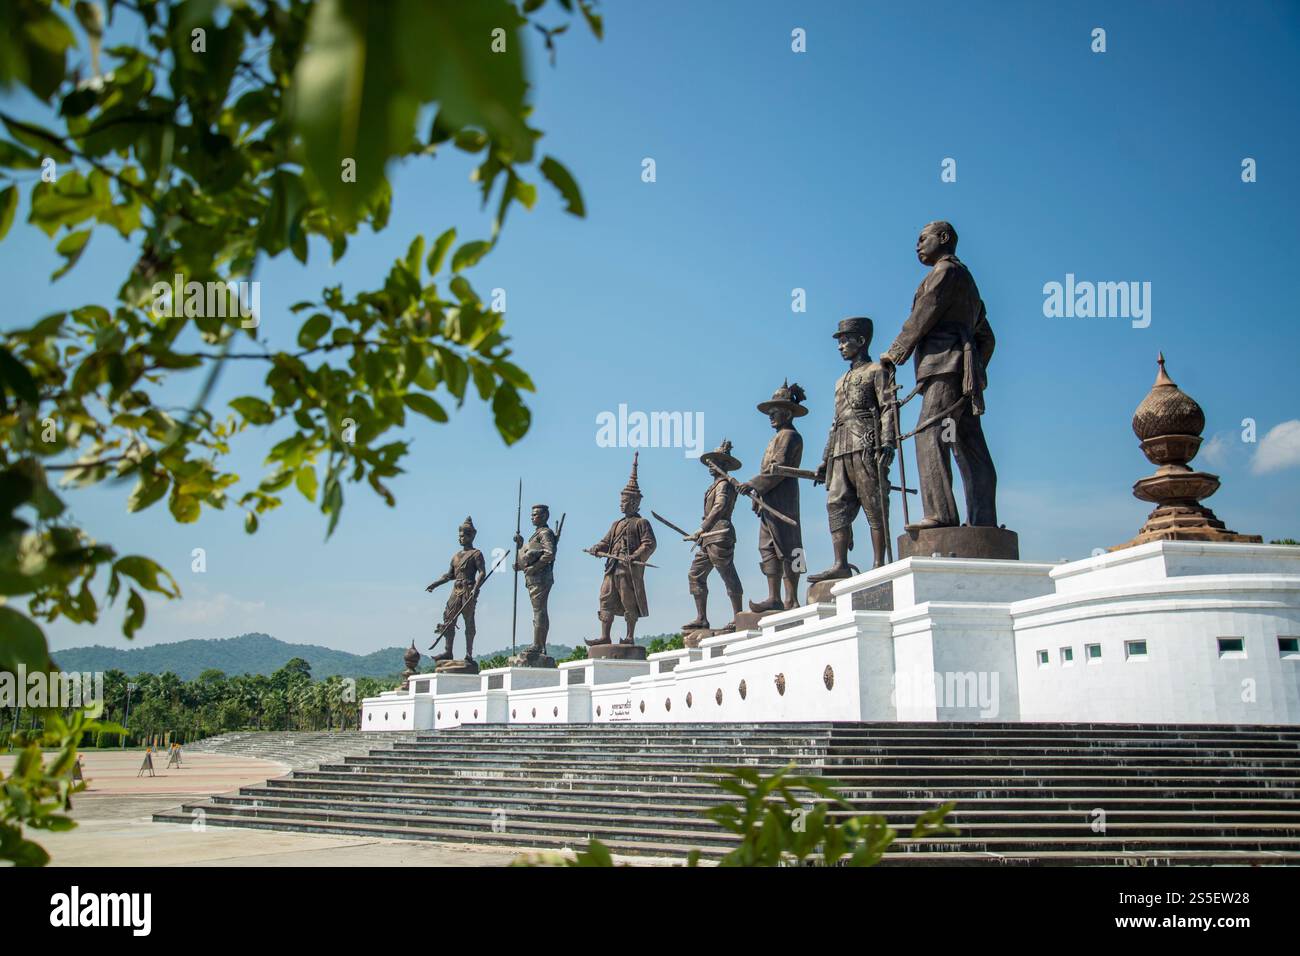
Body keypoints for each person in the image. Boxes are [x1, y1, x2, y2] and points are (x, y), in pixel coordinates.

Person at [879, 220, 997, 528]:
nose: (917, 245)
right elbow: (988, 337)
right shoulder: (968, 281)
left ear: (943, 238)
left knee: (928, 434)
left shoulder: (944, 273)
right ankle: (984, 521)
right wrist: (972, 367)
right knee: (970, 445)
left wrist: (893, 355)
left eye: (923, 238)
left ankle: (941, 514)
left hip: (944, 368)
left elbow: (922, 315)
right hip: (960, 372)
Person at [808, 317, 897, 580]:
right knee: (836, 504)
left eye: (845, 340)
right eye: (839, 341)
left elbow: (888, 408)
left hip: (867, 444)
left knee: (874, 502)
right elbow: (835, 422)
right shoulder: (839, 381)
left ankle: (879, 562)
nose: (840, 346)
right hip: (840, 448)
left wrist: (888, 442)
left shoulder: (877, 371)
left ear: (861, 340)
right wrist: (825, 459)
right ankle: (841, 564)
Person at [739, 381, 807, 611]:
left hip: (783, 499)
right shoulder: (776, 437)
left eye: (774, 411)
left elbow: (778, 468)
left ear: (787, 413)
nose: (770, 416)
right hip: (767, 501)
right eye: (769, 412)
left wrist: (754, 483)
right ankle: (774, 596)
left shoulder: (790, 436)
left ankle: (792, 598)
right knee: (767, 547)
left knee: (791, 546)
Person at [585, 454, 657, 646]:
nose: (621, 503)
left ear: (634, 502)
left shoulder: (641, 523)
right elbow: (606, 541)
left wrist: (635, 556)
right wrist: (596, 548)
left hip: (628, 570)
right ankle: (605, 635)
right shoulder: (616, 523)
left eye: (625, 501)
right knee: (605, 597)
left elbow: (649, 543)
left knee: (628, 601)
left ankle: (630, 636)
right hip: (612, 566)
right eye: (621, 500)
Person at [683, 440, 744, 632]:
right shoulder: (714, 485)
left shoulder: (724, 485)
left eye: (715, 461)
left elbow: (719, 507)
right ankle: (701, 618)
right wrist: (703, 532)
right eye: (709, 461)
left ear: (724, 464)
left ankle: (738, 616)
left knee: (727, 574)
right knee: (695, 574)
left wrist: (702, 528)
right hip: (708, 536)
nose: (710, 464)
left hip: (719, 533)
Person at [427, 516, 487, 661]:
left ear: (471, 536)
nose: (461, 539)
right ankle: (448, 651)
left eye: (463, 536)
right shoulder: (456, 557)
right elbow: (449, 575)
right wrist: (435, 584)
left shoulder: (476, 554)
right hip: (456, 589)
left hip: (468, 588)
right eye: (459, 536)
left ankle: (469, 653)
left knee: (469, 621)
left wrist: (475, 588)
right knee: (448, 619)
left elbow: (482, 572)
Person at [513, 503, 558, 657]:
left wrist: (535, 567)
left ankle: (538, 645)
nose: (532, 517)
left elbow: (549, 553)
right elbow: (526, 558)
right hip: (533, 579)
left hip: (541, 577)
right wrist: (520, 546)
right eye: (532, 515)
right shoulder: (536, 534)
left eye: (536, 514)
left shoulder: (545, 533)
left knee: (540, 610)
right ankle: (538, 643)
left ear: (545, 516)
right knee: (537, 611)